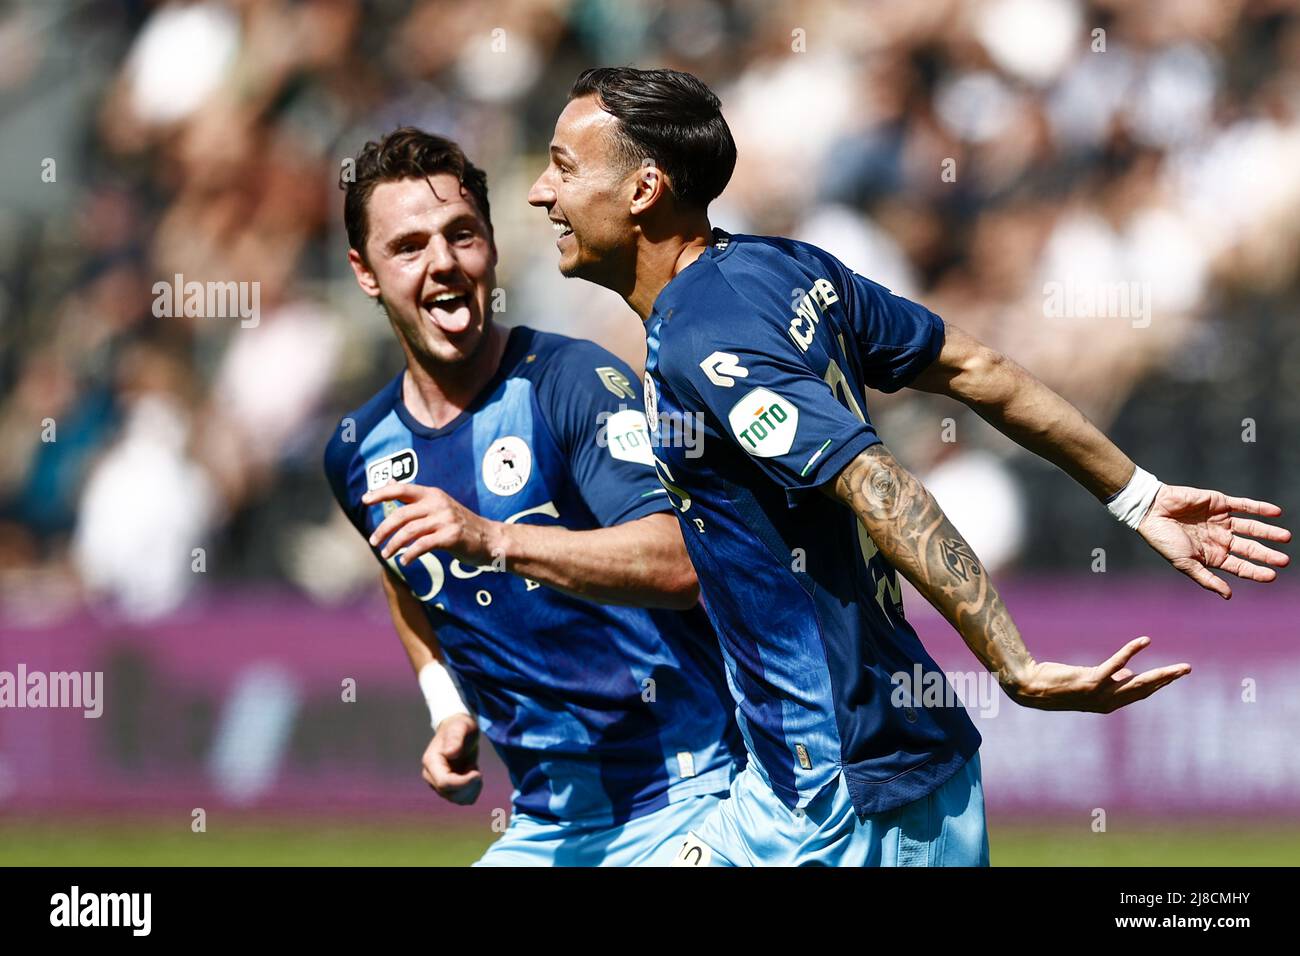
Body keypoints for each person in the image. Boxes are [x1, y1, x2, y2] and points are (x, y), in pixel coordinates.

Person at [526, 67, 1291, 866]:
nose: (545, 192)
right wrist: (1138, 496)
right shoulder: (782, 268)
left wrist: (1014, 664)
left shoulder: (705, 336)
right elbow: (978, 369)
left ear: (644, 188)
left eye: (565, 167)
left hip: (852, 796)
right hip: (820, 781)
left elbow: (879, 484)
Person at [324, 127, 740, 866]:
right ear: (365, 272)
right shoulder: (359, 451)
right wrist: (445, 704)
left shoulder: (569, 383)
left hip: (692, 796)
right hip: (547, 827)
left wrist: (493, 538)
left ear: (491, 245)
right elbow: (406, 577)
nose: (443, 263)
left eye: (461, 235)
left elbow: (679, 564)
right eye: (409, 246)